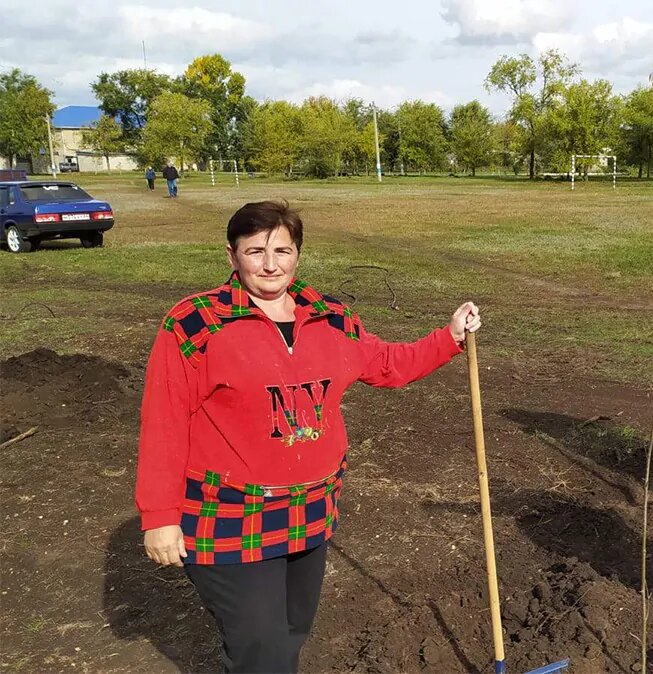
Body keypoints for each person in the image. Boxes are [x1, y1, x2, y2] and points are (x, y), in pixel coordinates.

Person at [136, 200, 481, 673]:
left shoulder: (329, 315)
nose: (271, 263)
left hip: (310, 506)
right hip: (231, 510)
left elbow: (384, 363)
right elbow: (164, 420)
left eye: (283, 249)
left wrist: (449, 337)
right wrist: (160, 516)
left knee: (293, 630)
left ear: (298, 253)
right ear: (231, 256)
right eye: (255, 251)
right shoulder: (195, 323)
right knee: (261, 645)